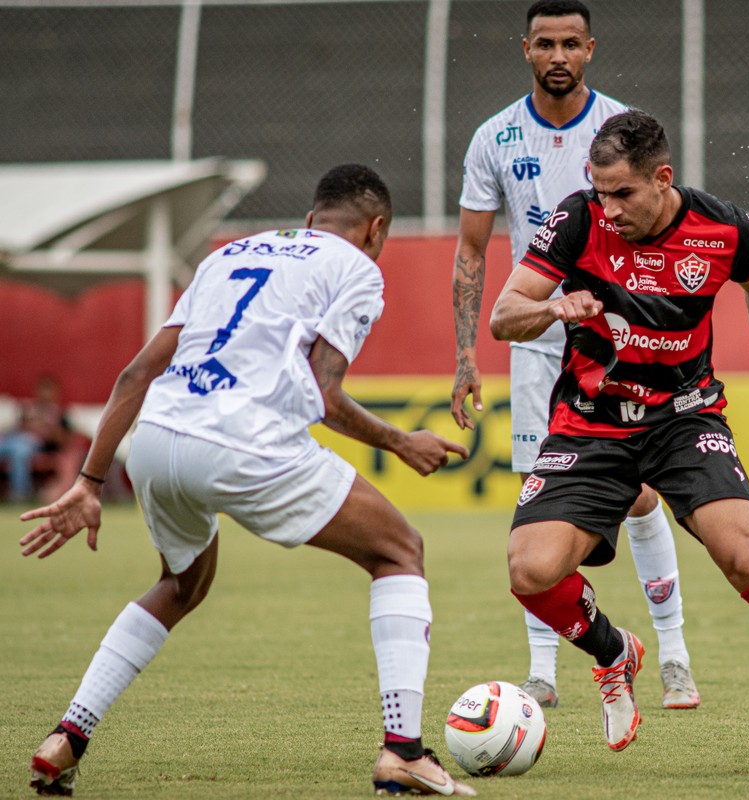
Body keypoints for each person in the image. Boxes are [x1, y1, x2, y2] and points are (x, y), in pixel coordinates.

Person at [19, 164, 476, 797]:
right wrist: (402, 441)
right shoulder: (356, 269)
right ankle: (402, 750)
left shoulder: (227, 255)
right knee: (399, 551)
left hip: (155, 442)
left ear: (312, 218)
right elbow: (323, 391)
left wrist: (91, 482)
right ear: (376, 229)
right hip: (246, 442)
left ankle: (67, 737)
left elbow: (134, 374)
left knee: (181, 584)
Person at [488, 109, 749, 776]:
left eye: (622, 193)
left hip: (684, 418)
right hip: (591, 423)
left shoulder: (723, 226)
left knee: (748, 556)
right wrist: (554, 308)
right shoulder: (577, 220)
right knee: (530, 573)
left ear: (662, 179)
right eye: (598, 188)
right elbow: (504, 316)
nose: (607, 207)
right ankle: (615, 652)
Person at [451, 0, 700, 711]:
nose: (557, 55)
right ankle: (542, 672)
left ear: (589, 48)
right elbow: (472, 253)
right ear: (524, 49)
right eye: (543, 44)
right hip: (534, 341)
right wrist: (466, 357)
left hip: (621, 338)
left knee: (643, 493)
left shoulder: (621, 128)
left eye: (569, 43)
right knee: (538, 504)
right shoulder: (494, 136)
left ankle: (674, 653)